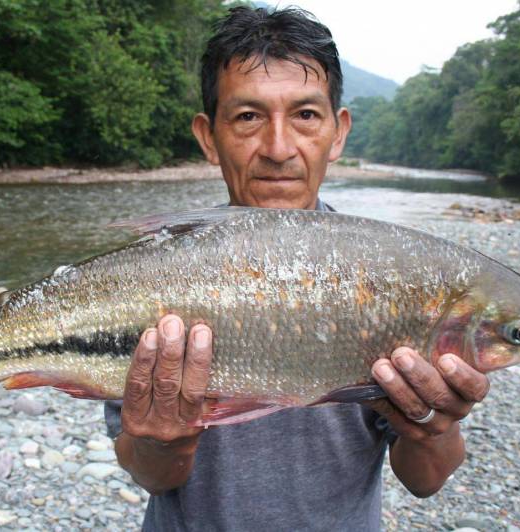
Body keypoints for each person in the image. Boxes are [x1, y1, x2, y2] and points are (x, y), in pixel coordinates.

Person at [105, 7, 490, 530]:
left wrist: (433, 430)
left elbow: (426, 480)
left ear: (338, 132)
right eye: (248, 117)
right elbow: (154, 475)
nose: (279, 148)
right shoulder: (152, 280)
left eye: (306, 115)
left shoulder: (398, 283)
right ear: (207, 136)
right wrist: (160, 438)